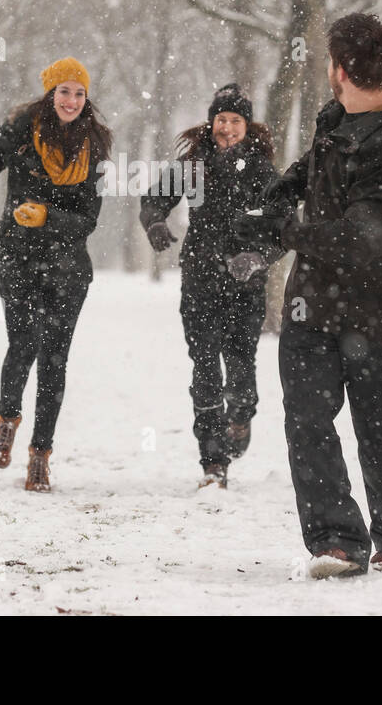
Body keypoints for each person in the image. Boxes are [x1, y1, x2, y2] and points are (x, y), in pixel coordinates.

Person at [233, 13, 382, 579]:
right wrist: (261, 216)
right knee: (307, 418)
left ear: (341, 70)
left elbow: (363, 238)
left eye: (330, 62)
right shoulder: (337, 118)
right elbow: (306, 176)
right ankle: (338, 540)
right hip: (314, 306)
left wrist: (285, 233)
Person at [0, 57, 112, 493]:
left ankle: (40, 455)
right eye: (64, 91)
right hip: (17, 260)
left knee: (55, 359)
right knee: (24, 343)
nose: (72, 100)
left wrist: (46, 216)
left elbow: (87, 221)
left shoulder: (95, 146)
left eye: (79, 93)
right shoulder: (21, 131)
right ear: (49, 93)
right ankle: (6, 421)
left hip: (68, 268)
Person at [139, 84, 283, 490]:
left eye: (236, 121)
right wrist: (154, 223)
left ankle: (241, 414)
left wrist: (256, 258)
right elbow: (154, 199)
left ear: (247, 126)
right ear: (212, 121)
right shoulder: (194, 165)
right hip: (200, 279)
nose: (227, 128)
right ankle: (212, 462)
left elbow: (282, 228)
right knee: (204, 368)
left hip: (245, 285)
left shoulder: (260, 171)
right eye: (222, 119)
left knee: (239, 367)